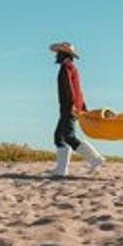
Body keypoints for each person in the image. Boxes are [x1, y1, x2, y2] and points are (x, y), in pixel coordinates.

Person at [47, 41, 105, 177]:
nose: (56, 56)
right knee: (59, 137)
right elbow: (78, 90)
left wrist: (73, 106)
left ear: (64, 54)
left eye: (59, 53)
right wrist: (82, 106)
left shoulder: (66, 68)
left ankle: (95, 159)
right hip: (71, 106)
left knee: (68, 137)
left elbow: (70, 89)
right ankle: (61, 169)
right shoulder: (72, 67)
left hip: (69, 107)